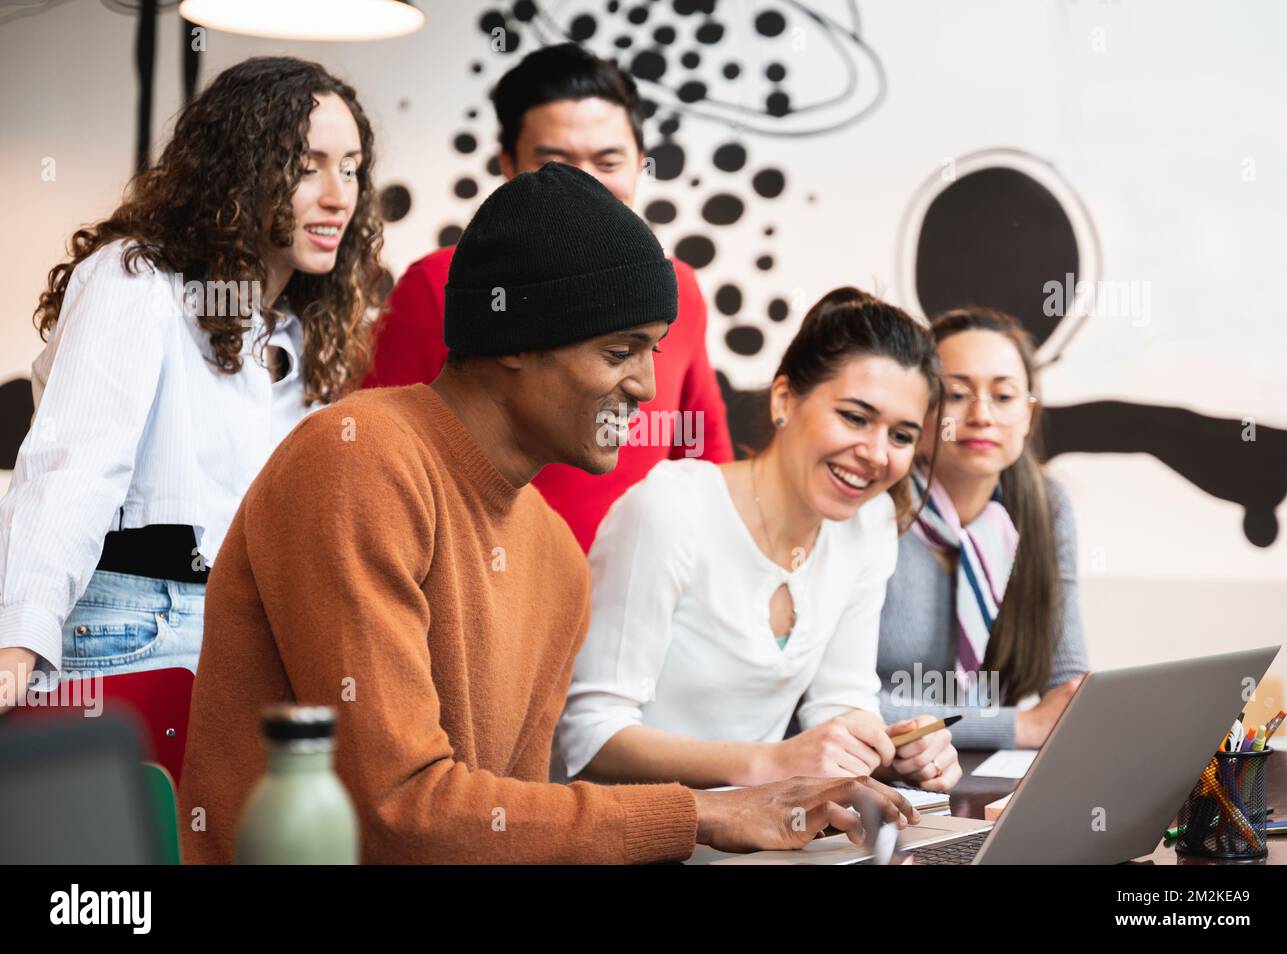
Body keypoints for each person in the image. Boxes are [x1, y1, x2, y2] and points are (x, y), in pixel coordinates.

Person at [178, 163, 919, 865]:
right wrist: (705, 814)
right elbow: (400, 811)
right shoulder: (357, 460)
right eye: (621, 350)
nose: (646, 386)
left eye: (654, 351)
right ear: (514, 344)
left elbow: (508, 827)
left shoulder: (556, 555)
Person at [0, 57, 383, 706]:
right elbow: (73, 468)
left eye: (349, 168)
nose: (338, 194)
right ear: (242, 168)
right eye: (307, 163)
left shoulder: (296, 334)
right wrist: (18, 642)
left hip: (245, 637)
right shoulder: (137, 280)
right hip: (135, 625)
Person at [557, 287, 963, 794]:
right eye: (855, 418)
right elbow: (591, 738)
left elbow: (840, 700)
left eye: (902, 436)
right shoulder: (671, 508)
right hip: (643, 836)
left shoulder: (870, 522)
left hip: (767, 837)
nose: (877, 454)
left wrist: (890, 748)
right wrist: (771, 763)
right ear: (784, 400)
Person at [363, 42, 734, 551]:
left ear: (640, 164)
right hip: (487, 593)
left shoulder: (679, 291)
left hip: (632, 606)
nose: (587, 184)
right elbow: (379, 450)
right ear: (508, 165)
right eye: (555, 161)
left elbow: (704, 455)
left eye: (608, 160)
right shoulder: (442, 287)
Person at [875, 307, 1089, 749]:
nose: (982, 415)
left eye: (1004, 396)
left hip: (988, 778)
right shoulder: (874, 507)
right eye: (956, 394)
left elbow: (1067, 692)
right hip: (877, 769)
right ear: (920, 409)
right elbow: (843, 704)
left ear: (1028, 414)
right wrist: (1018, 726)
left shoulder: (1045, 507)